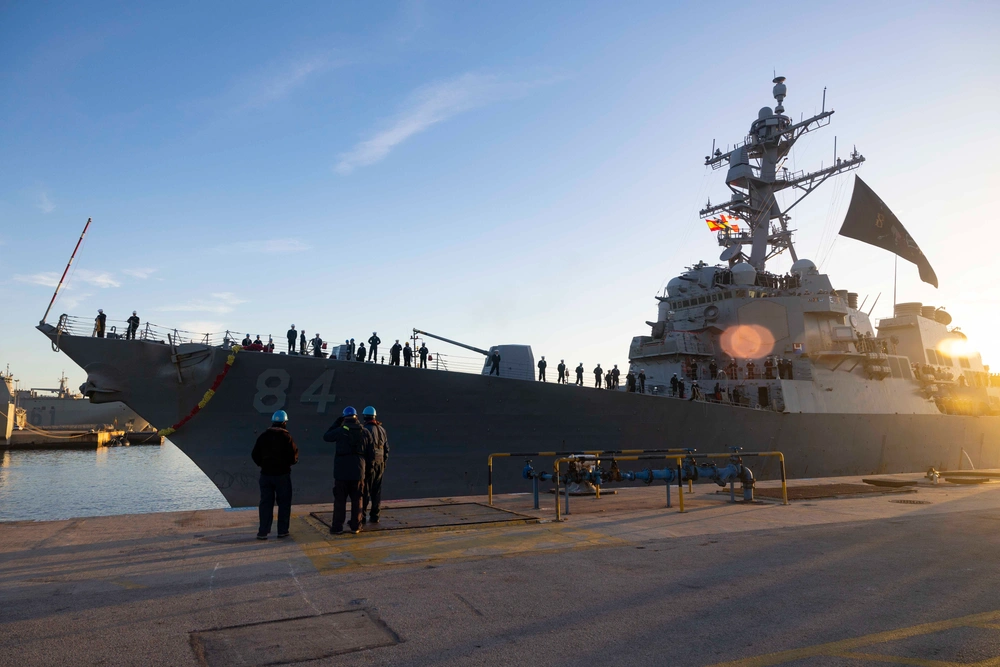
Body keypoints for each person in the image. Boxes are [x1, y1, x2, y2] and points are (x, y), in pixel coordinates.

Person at [323, 406, 373, 535]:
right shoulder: (365, 432)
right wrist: (367, 471)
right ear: (357, 417)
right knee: (358, 500)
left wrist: (337, 422)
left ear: (345, 418)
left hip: (341, 472)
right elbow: (371, 454)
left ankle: (337, 527)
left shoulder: (340, 431)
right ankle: (356, 526)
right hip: (358, 471)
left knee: (340, 501)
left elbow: (326, 436)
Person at [251, 410, 299, 540]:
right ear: (284, 422)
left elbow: (254, 455)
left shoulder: (263, 436)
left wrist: (263, 464)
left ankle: (263, 531)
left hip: (266, 475)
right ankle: (282, 531)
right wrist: (286, 464)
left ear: (273, 421)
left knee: (265, 503)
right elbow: (294, 457)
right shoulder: (287, 437)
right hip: (282, 475)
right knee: (284, 503)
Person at [361, 406, 388, 525]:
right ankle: (375, 515)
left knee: (365, 491)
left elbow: (363, 449)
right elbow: (387, 449)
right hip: (380, 463)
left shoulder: (365, 430)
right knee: (377, 491)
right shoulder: (382, 429)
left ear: (365, 417)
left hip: (369, 464)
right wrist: (384, 462)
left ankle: (361, 517)